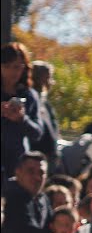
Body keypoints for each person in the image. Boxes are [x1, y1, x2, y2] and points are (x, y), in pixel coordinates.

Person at [1, 43, 43, 181]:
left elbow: (37, 133)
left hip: (18, 163)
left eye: (17, 67)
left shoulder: (29, 95)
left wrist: (21, 118)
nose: (12, 72)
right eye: (7, 67)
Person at [29, 61, 61, 168]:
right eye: (48, 78)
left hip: (49, 157)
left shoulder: (44, 103)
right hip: (38, 159)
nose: (51, 82)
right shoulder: (32, 101)